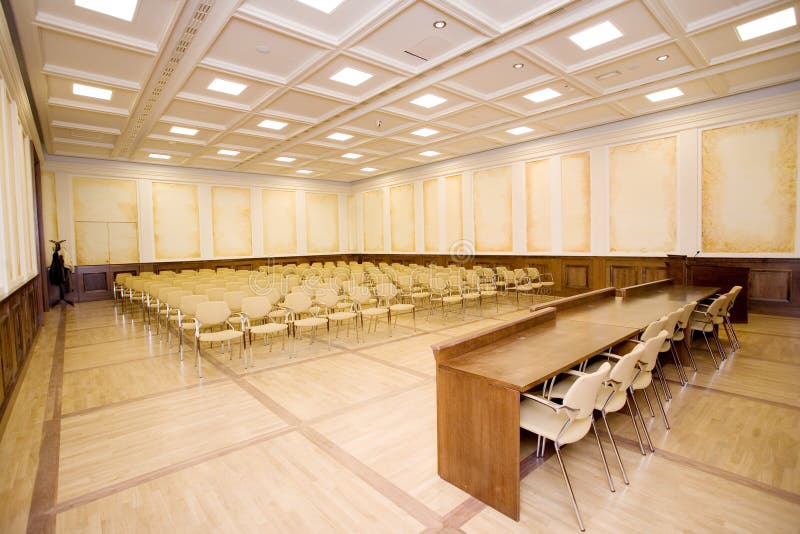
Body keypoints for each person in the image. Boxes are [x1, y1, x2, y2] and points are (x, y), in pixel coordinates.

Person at [48, 240, 73, 306]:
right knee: (60, 283)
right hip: (58, 271)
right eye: (56, 246)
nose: (57, 247)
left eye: (58, 245)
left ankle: (63, 298)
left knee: (63, 283)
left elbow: (65, 262)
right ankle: (61, 298)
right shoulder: (56, 253)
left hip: (63, 271)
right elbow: (55, 263)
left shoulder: (63, 253)